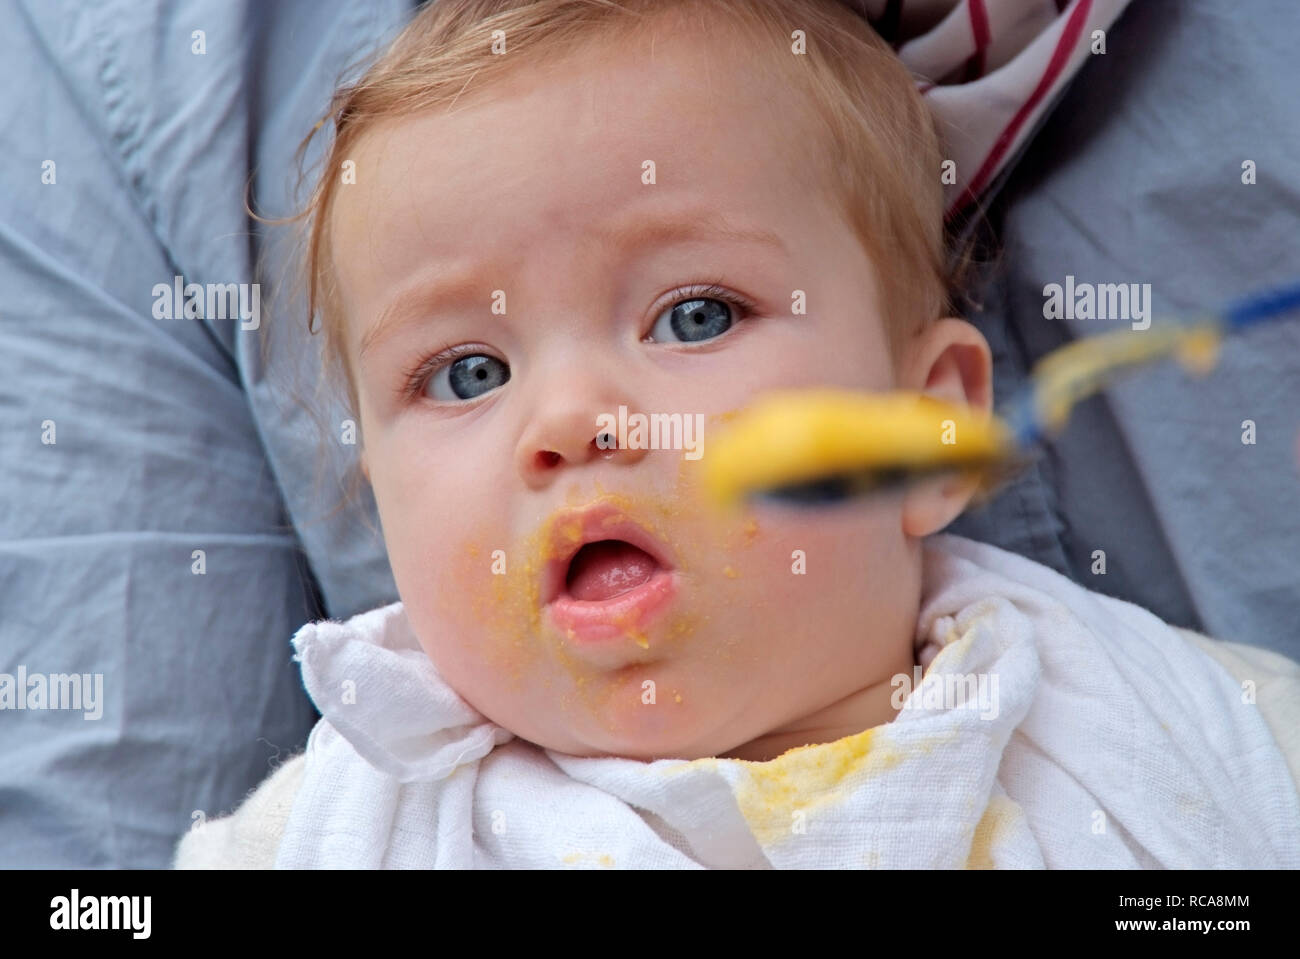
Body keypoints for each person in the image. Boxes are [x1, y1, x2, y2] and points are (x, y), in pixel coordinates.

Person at [172, 0, 1300, 869]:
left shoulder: (1200, 730)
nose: (570, 421)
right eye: (468, 373)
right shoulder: (330, 833)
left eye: (695, 315)